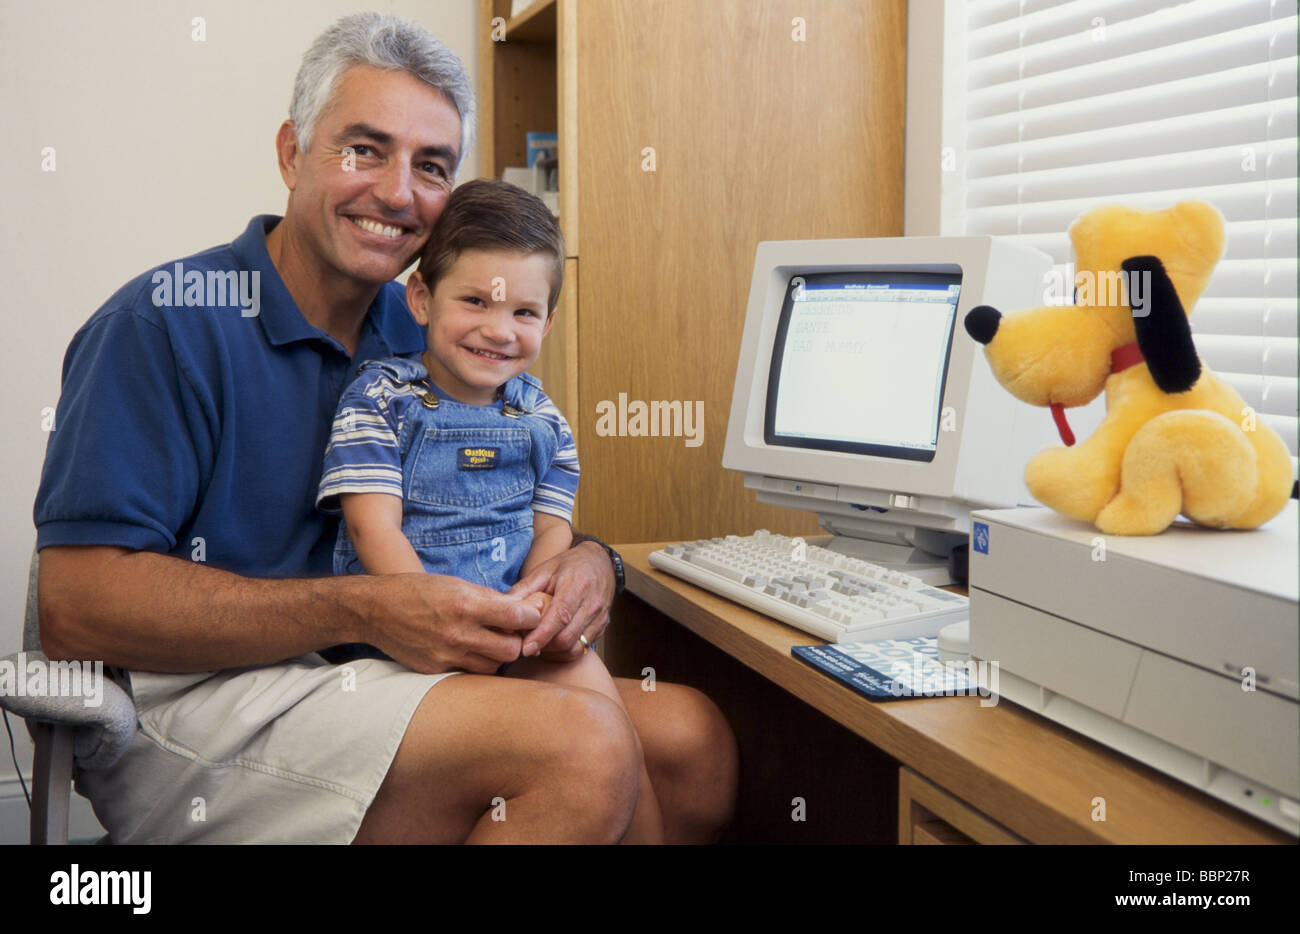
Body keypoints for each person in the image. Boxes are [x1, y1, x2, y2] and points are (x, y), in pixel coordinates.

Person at [33, 12, 735, 844]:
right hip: (205, 697)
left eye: (431, 166)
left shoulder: (432, 335)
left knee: (689, 741)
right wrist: (369, 610)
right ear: (293, 153)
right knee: (580, 748)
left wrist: (589, 561)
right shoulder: (164, 324)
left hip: (381, 670)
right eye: (363, 149)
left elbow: (516, 500)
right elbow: (76, 608)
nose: (399, 193)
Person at [318, 178, 664, 842]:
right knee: (570, 747)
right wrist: (433, 616)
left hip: (514, 622)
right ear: (421, 297)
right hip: (404, 639)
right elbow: (372, 527)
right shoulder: (380, 400)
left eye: (523, 313)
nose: (498, 331)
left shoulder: (542, 418)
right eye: (475, 301)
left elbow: (551, 528)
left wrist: (536, 603)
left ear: (549, 321)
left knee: (616, 731)